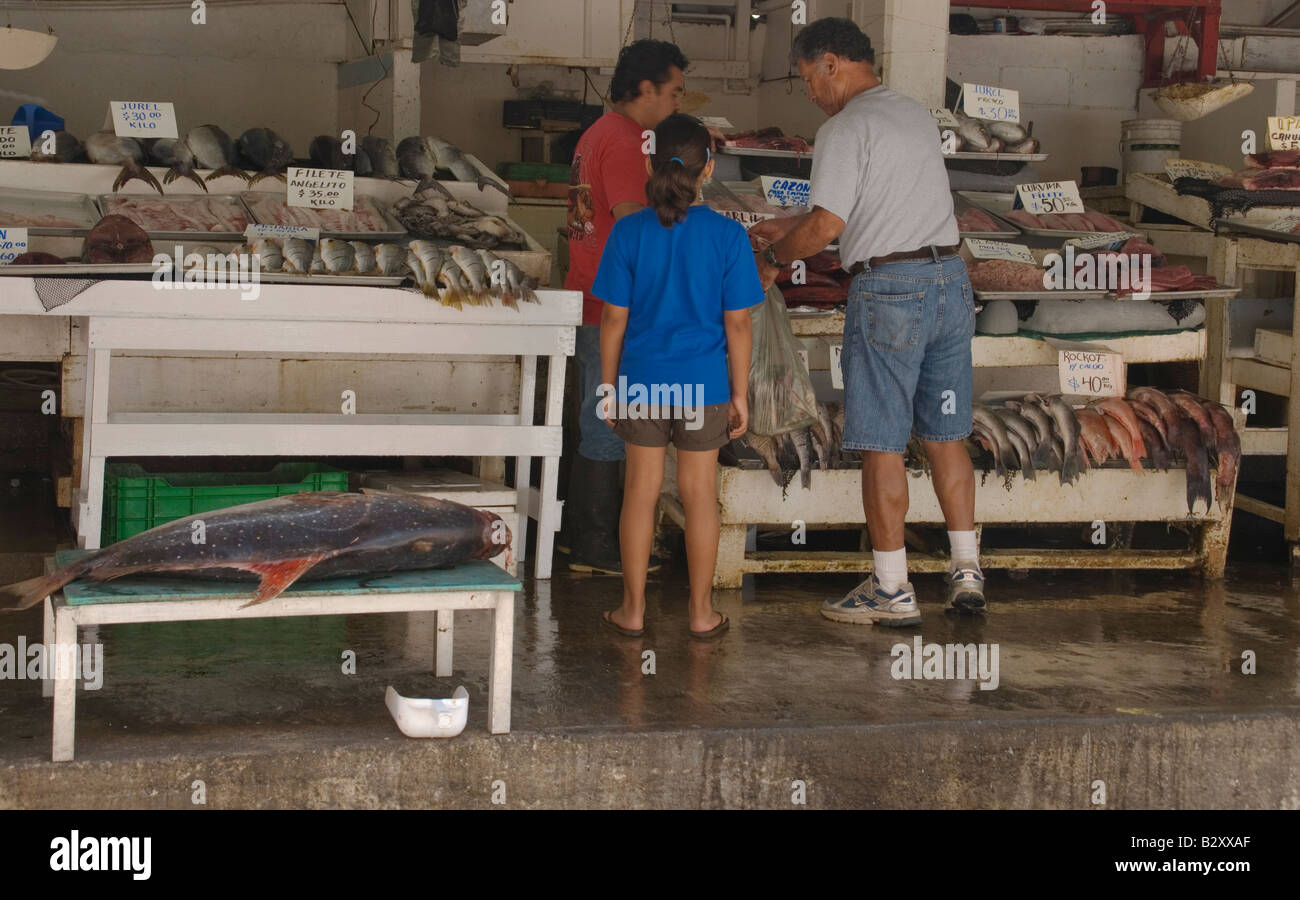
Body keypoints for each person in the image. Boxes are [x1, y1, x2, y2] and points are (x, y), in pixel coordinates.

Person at [750, 17, 983, 626]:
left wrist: (774, 259)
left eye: (807, 78)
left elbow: (829, 227)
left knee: (881, 444)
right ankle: (966, 571)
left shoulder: (844, 126)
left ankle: (891, 587)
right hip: (949, 282)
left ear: (831, 63)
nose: (809, 92)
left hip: (892, 293)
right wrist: (794, 219)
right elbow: (865, 205)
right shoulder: (910, 113)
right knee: (945, 436)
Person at [592, 113, 763, 639]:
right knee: (698, 494)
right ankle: (700, 613)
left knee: (640, 493)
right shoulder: (728, 237)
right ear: (707, 169)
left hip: (643, 383)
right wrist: (740, 393)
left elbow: (613, 319)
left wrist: (609, 387)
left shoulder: (628, 232)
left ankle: (633, 611)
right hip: (705, 386)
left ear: (649, 162)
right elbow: (738, 323)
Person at [563, 39, 688, 575]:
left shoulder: (596, 133)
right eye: (675, 91)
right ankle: (595, 546)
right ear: (645, 90)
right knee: (606, 419)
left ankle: (578, 538)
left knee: (597, 414)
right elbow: (635, 218)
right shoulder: (626, 139)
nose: (678, 102)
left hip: (592, 296)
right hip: (616, 305)